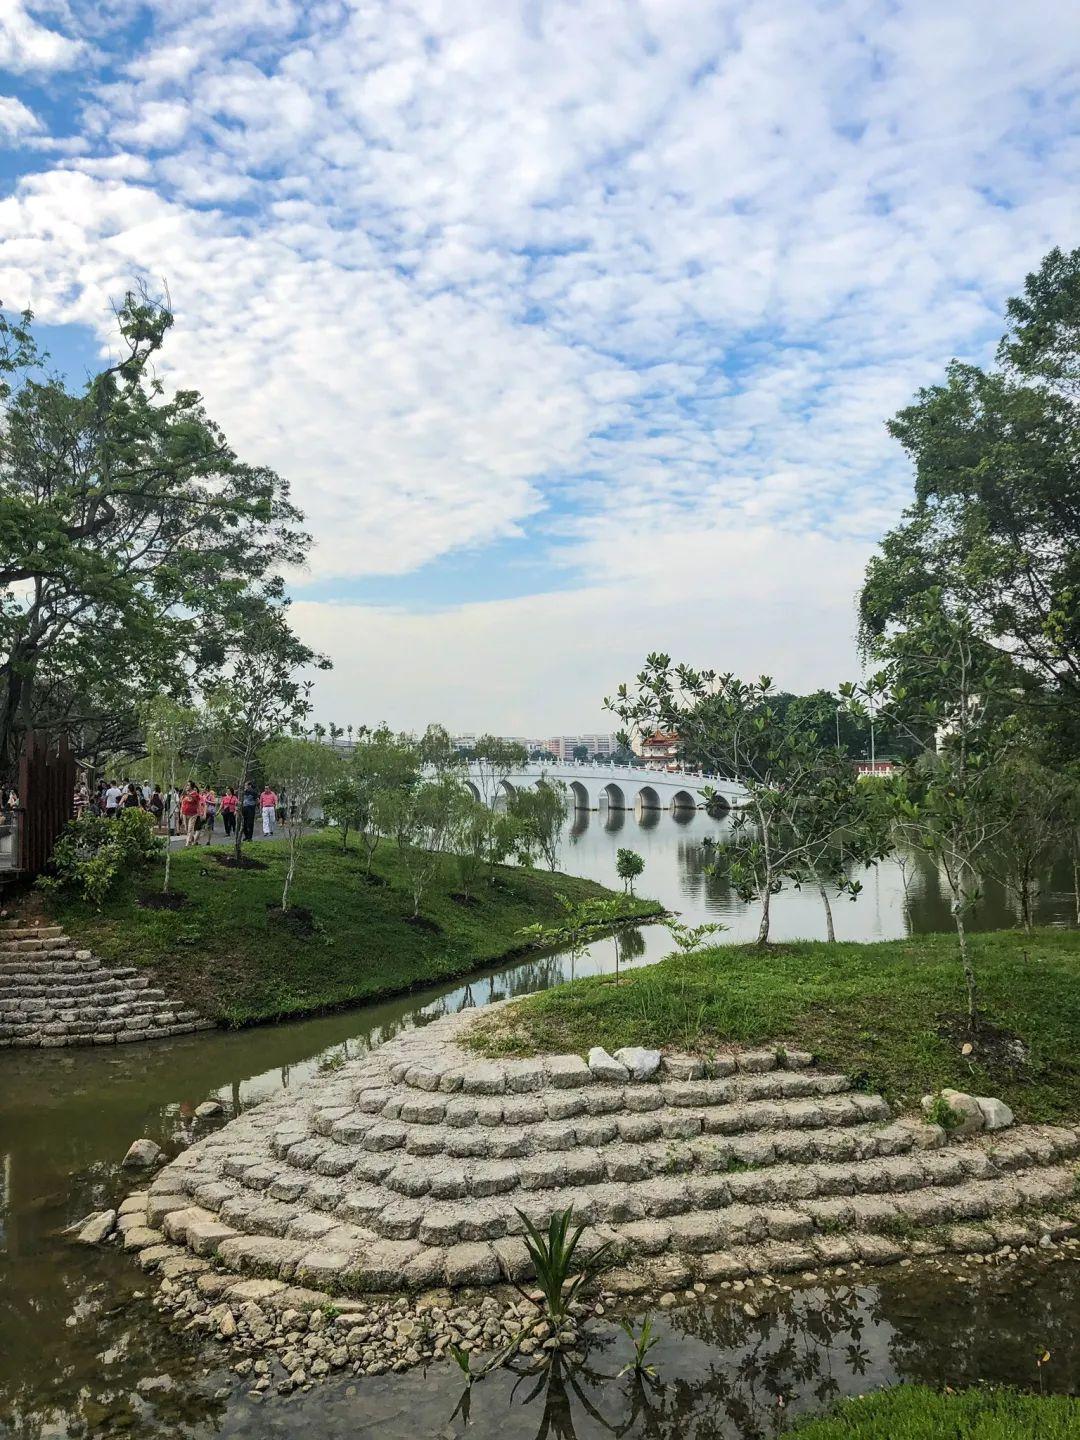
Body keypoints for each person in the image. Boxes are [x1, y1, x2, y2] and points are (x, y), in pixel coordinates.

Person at [180, 781, 202, 847]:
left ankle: (187, 844)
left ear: (191, 787)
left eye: (188, 785)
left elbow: (197, 802)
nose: (186, 786)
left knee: (190, 829)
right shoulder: (185, 794)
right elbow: (182, 803)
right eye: (186, 785)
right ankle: (192, 840)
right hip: (185, 813)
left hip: (193, 814)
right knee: (187, 829)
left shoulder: (195, 794)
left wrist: (200, 812)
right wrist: (181, 812)